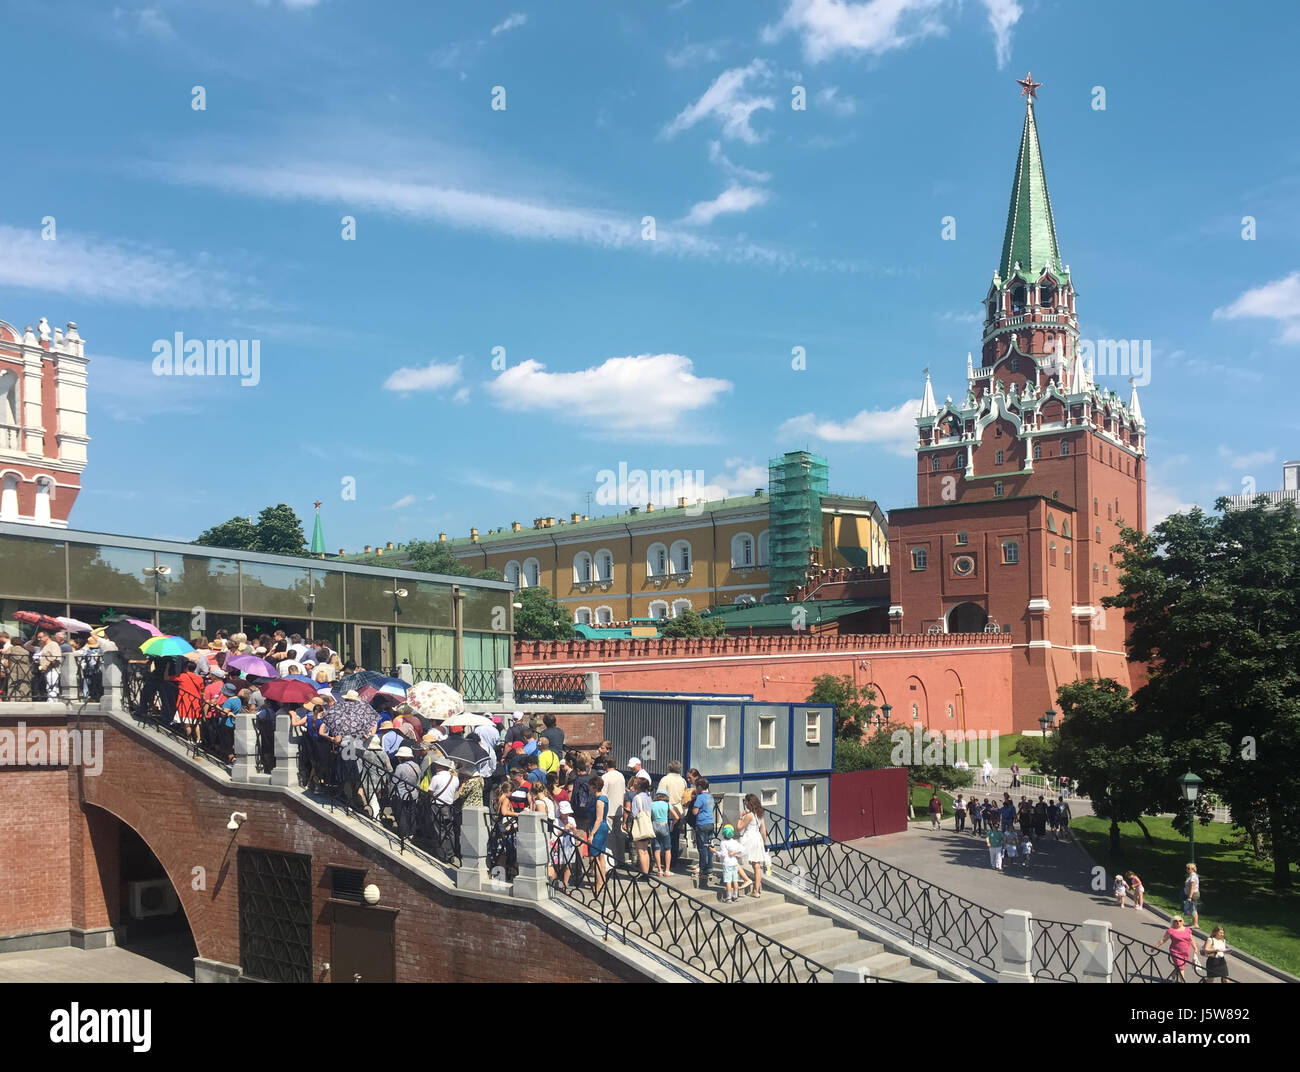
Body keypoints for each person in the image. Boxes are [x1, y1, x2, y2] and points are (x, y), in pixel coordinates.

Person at [736, 793, 768, 898]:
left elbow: (739, 828)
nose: (745, 803)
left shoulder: (749, 815)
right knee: (756, 864)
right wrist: (764, 842)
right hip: (757, 838)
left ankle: (747, 879)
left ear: (750, 803)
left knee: (732, 858)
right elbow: (763, 830)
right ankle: (756, 890)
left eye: (745, 801)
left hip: (749, 838)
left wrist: (741, 817)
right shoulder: (760, 814)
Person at [657, 760, 688, 861]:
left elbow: (660, 796)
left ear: (669, 768)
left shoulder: (665, 779)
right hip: (679, 810)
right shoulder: (683, 781)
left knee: (665, 836)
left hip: (667, 809)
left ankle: (665, 859)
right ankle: (674, 859)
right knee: (676, 836)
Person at [587, 775, 610, 894]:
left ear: (594, 787)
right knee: (600, 855)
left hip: (598, 829)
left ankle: (599, 882)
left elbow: (599, 819)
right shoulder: (603, 798)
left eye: (590, 786)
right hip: (602, 827)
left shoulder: (599, 800)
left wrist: (591, 834)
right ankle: (602, 880)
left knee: (595, 856)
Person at [1154, 916, 1195, 982]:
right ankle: (1183, 981)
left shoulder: (1187, 930)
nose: (1178, 922)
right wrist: (1156, 946)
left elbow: (1191, 939)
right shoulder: (1171, 931)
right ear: (1173, 922)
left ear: (1182, 922)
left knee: (1179, 967)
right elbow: (1163, 940)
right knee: (1181, 968)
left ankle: (1173, 975)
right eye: (1176, 921)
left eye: (1180, 921)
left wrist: (1195, 948)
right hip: (1175, 952)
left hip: (1185, 952)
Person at [692, 777, 716, 888]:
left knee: (702, 847)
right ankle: (710, 868)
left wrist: (693, 801)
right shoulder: (710, 796)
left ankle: (702, 870)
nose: (695, 788)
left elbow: (695, 812)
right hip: (711, 823)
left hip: (702, 824)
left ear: (700, 787)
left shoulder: (700, 797)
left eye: (696, 786)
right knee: (709, 846)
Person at [650, 790, 674, 877]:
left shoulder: (652, 804)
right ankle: (667, 870)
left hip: (654, 826)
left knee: (656, 849)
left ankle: (659, 870)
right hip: (664, 826)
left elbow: (649, 816)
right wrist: (672, 825)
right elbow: (676, 817)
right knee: (667, 849)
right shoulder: (667, 804)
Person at [717, 824, 743, 903]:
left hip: (727, 864)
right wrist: (734, 852)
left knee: (728, 881)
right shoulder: (735, 842)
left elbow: (723, 854)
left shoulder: (723, 842)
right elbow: (742, 849)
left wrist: (715, 852)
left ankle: (728, 897)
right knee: (735, 881)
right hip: (734, 863)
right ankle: (735, 896)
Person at [1182, 863, 1200, 929]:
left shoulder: (1193, 877)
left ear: (1192, 869)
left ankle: (1196, 924)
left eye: (1188, 868)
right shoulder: (1191, 875)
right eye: (1187, 868)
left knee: (1193, 909)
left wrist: (1190, 897)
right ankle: (1193, 922)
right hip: (1191, 894)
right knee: (1192, 908)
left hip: (1193, 894)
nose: (1187, 869)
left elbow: (1192, 887)